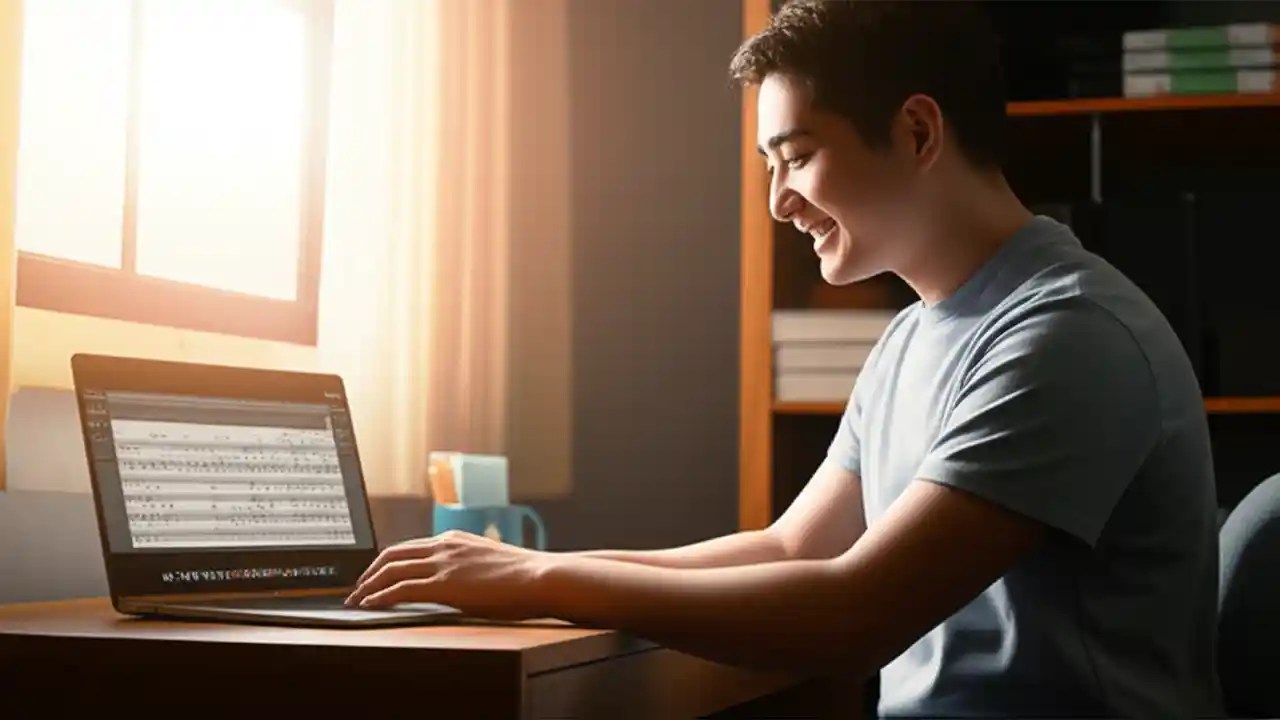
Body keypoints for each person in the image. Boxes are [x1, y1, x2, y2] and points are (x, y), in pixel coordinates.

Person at [345, 1, 1224, 716]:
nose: (776, 202)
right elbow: (792, 546)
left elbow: (850, 614)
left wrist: (546, 574)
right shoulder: (915, 336)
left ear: (919, 133)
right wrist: (529, 577)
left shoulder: (1066, 337)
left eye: (795, 157)